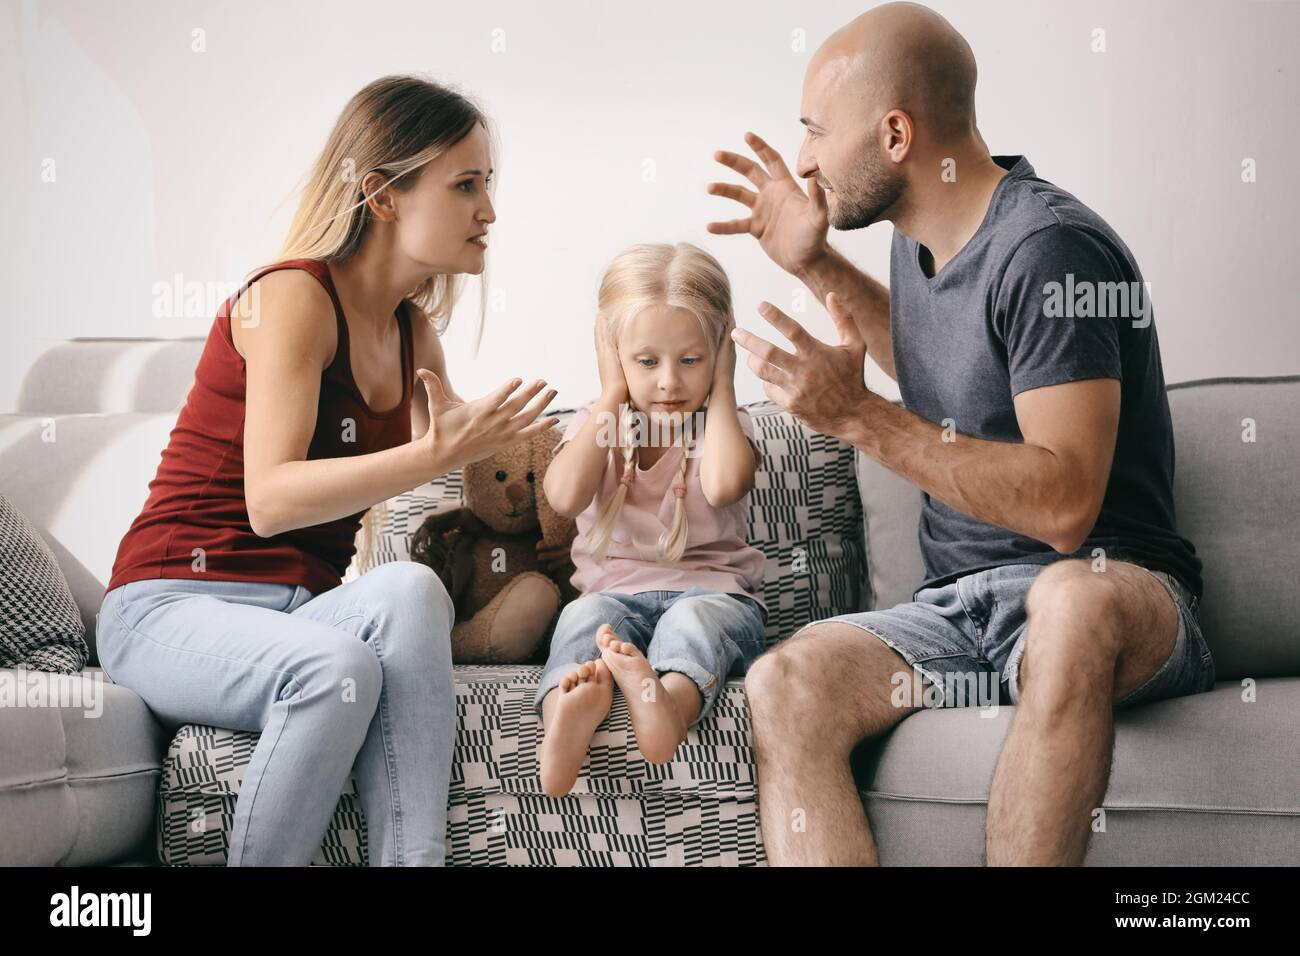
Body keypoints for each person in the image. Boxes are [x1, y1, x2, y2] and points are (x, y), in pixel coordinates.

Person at [708, 2, 1212, 865]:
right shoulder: (922, 236)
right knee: (785, 685)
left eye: (816, 131)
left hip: (1108, 590)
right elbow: (940, 369)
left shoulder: (1050, 251)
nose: (803, 160)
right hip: (960, 611)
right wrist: (814, 263)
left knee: (1069, 602)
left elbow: (1063, 507)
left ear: (895, 134)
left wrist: (855, 415)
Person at [95, 75, 558, 866]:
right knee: (335, 666)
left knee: (415, 587)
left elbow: (474, 480)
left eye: (489, 185)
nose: (489, 211)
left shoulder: (416, 339)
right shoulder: (291, 297)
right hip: (170, 604)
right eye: (466, 184)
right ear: (382, 195)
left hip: (293, 615)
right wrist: (434, 451)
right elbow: (271, 501)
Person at [535, 242, 767, 798]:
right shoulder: (600, 421)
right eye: (646, 362)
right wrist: (613, 393)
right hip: (615, 597)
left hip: (712, 594)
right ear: (615, 354)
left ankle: (666, 705)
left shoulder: (723, 425)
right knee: (580, 621)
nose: (668, 381)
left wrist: (726, 386)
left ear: (718, 352)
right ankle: (567, 710)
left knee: (694, 628)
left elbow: (724, 484)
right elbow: (564, 497)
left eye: (691, 360)